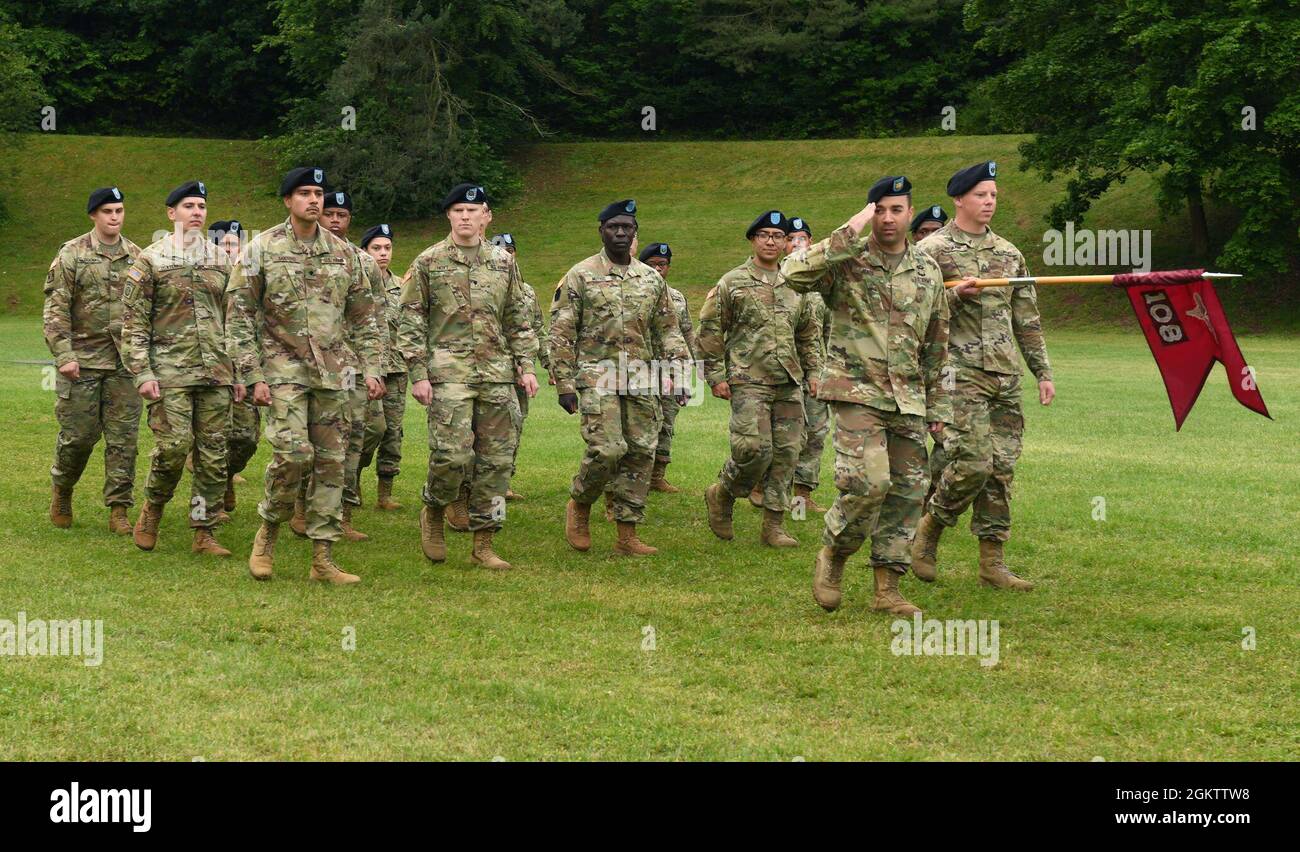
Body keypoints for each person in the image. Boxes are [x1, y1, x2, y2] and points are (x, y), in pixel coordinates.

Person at [782, 176, 950, 615]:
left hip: (909, 398)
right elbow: (793, 271)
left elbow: (937, 341)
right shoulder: (847, 260)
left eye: (897, 210)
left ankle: (887, 588)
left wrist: (938, 405)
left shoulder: (928, 270)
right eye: (880, 209)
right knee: (868, 484)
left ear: (911, 214)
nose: (888, 218)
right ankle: (834, 556)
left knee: (909, 491)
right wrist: (852, 226)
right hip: (857, 391)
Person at [226, 166, 385, 583]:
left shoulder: (345, 253)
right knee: (294, 455)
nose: (314, 200)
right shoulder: (262, 249)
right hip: (283, 371)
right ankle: (268, 534)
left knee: (333, 463)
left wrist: (371, 367)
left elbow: (365, 316)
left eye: (319, 193)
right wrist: (252, 374)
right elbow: (240, 316)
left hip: (334, 374)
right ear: (287, 201)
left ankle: (323, 558)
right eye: (304, 193)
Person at [911, 161, 1055, 591]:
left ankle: (992, 562)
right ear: (959, 199)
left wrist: (1041, 371)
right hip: (957, 374)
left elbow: (1026, 318)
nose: (989, 202)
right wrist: (954, 295)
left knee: (1001, 471)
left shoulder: (1009, 254)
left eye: (993, 194)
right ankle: (929, 529)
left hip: (1004, 375)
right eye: (980, 195)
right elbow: (912, 314)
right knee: (973, 462)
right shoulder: (931, 252)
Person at [397, 183, 538, 570]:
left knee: (496, 462)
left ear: (486, 216)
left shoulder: (504, 262)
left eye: (472, 211)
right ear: (449, 216)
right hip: (448, 375)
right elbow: (409, 319)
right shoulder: (428, 262)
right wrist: (418, 374)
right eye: (458, 210)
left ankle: (484, 542)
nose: (465, 217)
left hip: (496, 374)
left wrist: (526, 366)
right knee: (452, 455)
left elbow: (517, 319)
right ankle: (434, 509)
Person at [550, 199, 689, 556]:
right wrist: (564, 382)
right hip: (598, 375)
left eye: (627, 228)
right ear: (601, 231)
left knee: (642, 450)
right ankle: (580, 503)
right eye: (614, 227)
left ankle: (627, 532)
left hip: (642, 375)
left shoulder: (649, 278)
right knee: (608, 450)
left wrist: (680, 371)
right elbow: (562, 331)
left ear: (634, 233)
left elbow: (668, 329)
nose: (621, 233)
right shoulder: (580, 275)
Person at [120, 181, 235, 556]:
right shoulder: (151, 260)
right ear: (172, 213)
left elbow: (237, 318)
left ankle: (204, 530)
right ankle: (153, 506)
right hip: (169, 372)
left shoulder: (222, 260)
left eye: (202, 205)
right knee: (173, 447)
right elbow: (133, 323)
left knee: (215, 455)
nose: (197, 212)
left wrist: (242, 370)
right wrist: (142, 373)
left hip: (216, 372)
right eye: (188, 205)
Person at [700, 211, 822, 548]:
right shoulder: (732, 282)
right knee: (753, 450)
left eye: (778, 236)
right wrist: (715, 376)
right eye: (764, 235)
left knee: (788, 452)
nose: (771, 241)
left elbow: (809, 334)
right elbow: (711, 330)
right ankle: (723, 493)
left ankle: (774, 525)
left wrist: (814, 373)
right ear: (753, 240)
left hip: (788, 381)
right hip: (747, 378)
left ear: (786, 244)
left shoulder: (796, 283)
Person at [43, 186, 142, 534]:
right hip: (82, 362)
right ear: (93, 216)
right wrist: (65, 355)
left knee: (124, 439)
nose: (114, 217)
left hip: (124, 364)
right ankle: (63, 489)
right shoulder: (72, 253)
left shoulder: (137, 256)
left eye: (119, 211)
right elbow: (56, 310)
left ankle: (119, 509)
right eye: (107, 212)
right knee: (79, 437)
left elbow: (145, 311)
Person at [490, 232, 550, 501]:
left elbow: (537, 329)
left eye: (510, 249)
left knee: (514, 426)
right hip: (492, 371)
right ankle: (476, 486)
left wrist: (550, 365)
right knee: (487, 429)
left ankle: (503, 481)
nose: (506, 253)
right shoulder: (484, 286)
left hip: (520, 373)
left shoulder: (526, 292)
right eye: (500, 248)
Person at [784, 216, 832, 515]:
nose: (797, 242)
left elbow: (830, 332)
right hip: (781, 373)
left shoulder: (821, 284)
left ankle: (801, 497)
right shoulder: (775, 278)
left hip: (815, 374)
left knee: (815, 433)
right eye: (792, 238)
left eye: (803, 237)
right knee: (784, 437)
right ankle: (765, 489)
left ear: (811, 243)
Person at [358, 223, 407, 510]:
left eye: (387, 247)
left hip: (396, 368)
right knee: (368, 429)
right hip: (366, 369)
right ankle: (352, 478)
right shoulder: (357, 283)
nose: (383, 253)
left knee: (393, 432)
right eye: (376, 248)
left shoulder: (402, 286)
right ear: (365, 251)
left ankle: (385, 492)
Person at [211, 220, 259, 510]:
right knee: (213, 436)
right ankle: (212, 500)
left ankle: (228, 474)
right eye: (224, 243)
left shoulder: (252, 277)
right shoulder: (206, 275)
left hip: (245, 366)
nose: (230, 249)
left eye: (235, 243)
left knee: (246, 437)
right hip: (211, 366)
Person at [639, 242, 694, 494]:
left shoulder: (678, 298)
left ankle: (658, 475)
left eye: (662, 265)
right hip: (641, 370)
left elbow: (686, 332)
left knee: (667, 420)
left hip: (670, 370)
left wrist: (695, 363)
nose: (658, 269)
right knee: (643, 422)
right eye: (652, 265)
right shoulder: (636, 294)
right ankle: (637, 474)